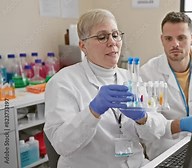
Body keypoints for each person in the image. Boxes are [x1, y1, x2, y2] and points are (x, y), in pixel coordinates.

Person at [43, 9, 167, 168]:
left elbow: (157, 131)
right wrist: (92, 112)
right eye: (102, 37)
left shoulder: (130, 77)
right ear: (83, 45)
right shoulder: (62, 82)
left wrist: (143, 118)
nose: (112, 42)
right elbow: (62, 145)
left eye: (115, 35)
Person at [140, 11, 192, 160]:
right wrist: (179, 125)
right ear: (162, 40)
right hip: (165, 151)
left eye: (181, 38)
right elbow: (147, 128)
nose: (175, 44)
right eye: (169, 38)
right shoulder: (147, 73)